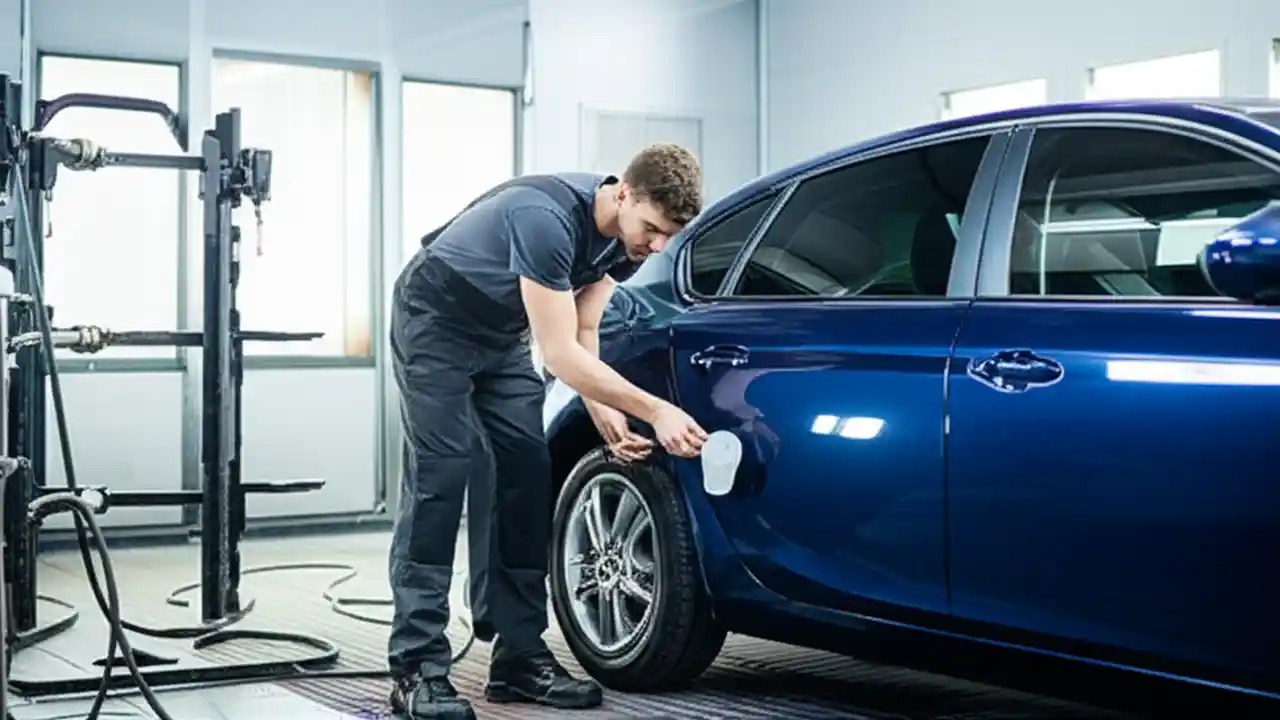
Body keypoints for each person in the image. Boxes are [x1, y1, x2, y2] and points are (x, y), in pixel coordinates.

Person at [387, 143, 710, 720]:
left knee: (526, 472)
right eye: (654, 229)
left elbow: (584, 328)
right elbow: (559, 354)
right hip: (435, 317)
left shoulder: (626, 242)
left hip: (502, 332)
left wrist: (603, 412)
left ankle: (518, 657)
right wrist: (656, 411)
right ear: (623, 193)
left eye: (670, 235)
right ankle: (417, 667)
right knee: (443, 471)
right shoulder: (545, 220)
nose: (658, 245)